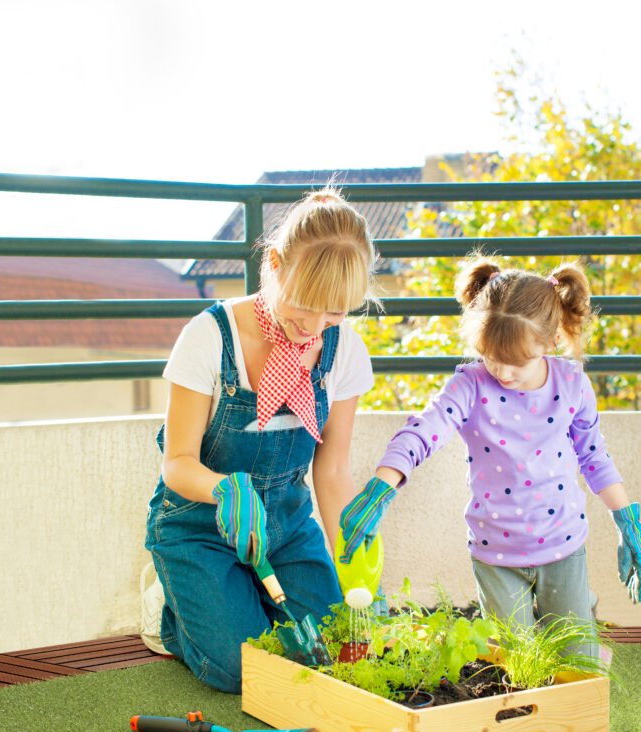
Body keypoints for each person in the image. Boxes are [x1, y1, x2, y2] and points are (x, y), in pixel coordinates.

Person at [144, 187, 378, 692]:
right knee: (242, 672)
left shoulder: (344, 351)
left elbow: (331, 470)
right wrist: (224, 491)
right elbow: (177, 462)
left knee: (331, 652)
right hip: (200, 526)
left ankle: (240, 597)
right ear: (274, 263)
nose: (313, 327)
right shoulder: (209, 336)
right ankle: (170, 610)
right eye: (305, 306)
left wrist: (352, 566)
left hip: (288, 530)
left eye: (334, 313)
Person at [338, 256, 641, 637]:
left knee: (575, 662)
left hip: (563, 545)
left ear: (552, 341)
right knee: (515, 663)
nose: (502, 372)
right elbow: (423, 429)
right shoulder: (472, 385)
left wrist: (627, 520)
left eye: (517, 361)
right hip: (494, 553)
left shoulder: (572, 384)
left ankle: (583, 610)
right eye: (491, 357)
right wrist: (381, 485)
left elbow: (594, 456)